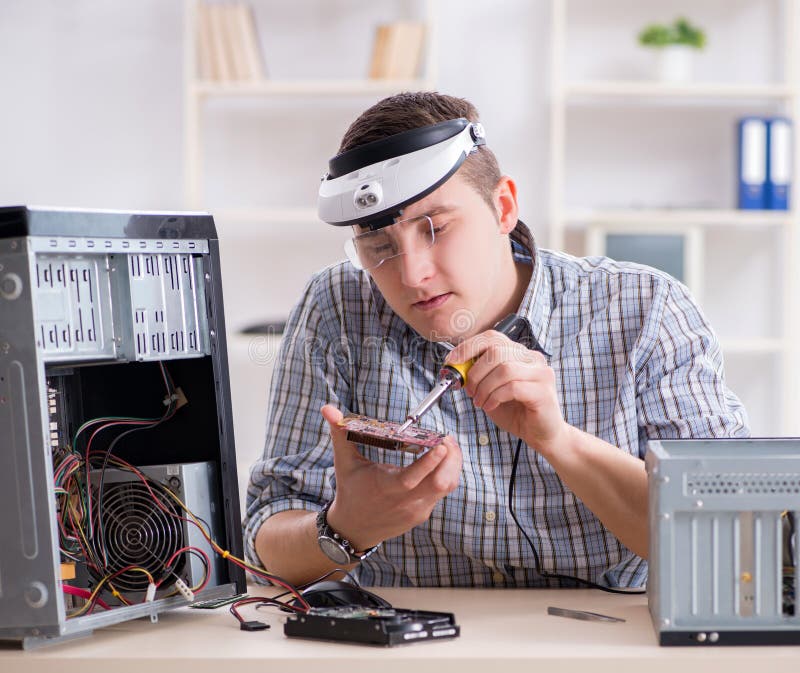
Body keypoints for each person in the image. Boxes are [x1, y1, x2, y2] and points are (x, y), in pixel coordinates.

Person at [244, 91, 749, 589]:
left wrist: (559, 441)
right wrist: (347, 528)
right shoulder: (338, 307)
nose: (413, 274)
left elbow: (729, 538)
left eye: (436, 228)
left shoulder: (647, 309)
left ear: (503, 206)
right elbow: (267, 536)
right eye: (379, 247)